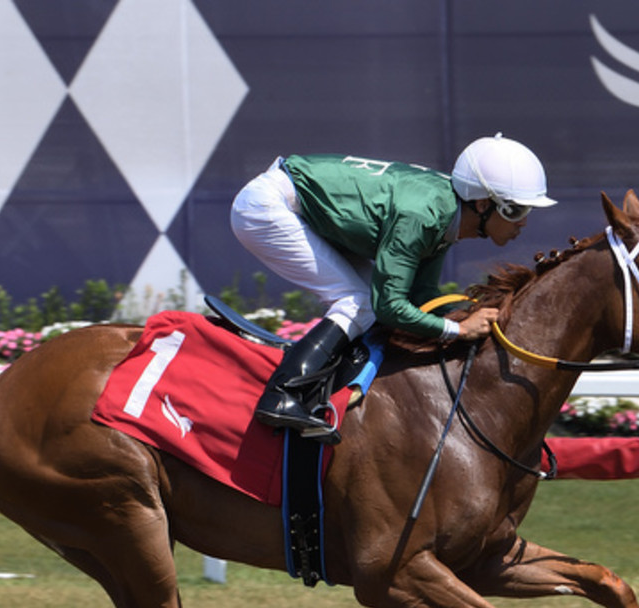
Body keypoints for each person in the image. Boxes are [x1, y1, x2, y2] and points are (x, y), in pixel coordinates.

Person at [230, 133, 556, 441]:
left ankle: (322, 391)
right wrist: (458, 330)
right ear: (483, 204)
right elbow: (390, 305)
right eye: (515, 209)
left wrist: (467, 316)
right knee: (361, 303)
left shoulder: (447, 210)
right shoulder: (424, 215)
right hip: (270, 207)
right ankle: (283, 394)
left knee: (365, 304)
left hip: (298, 202)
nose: (524, 222)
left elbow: (420, 294)